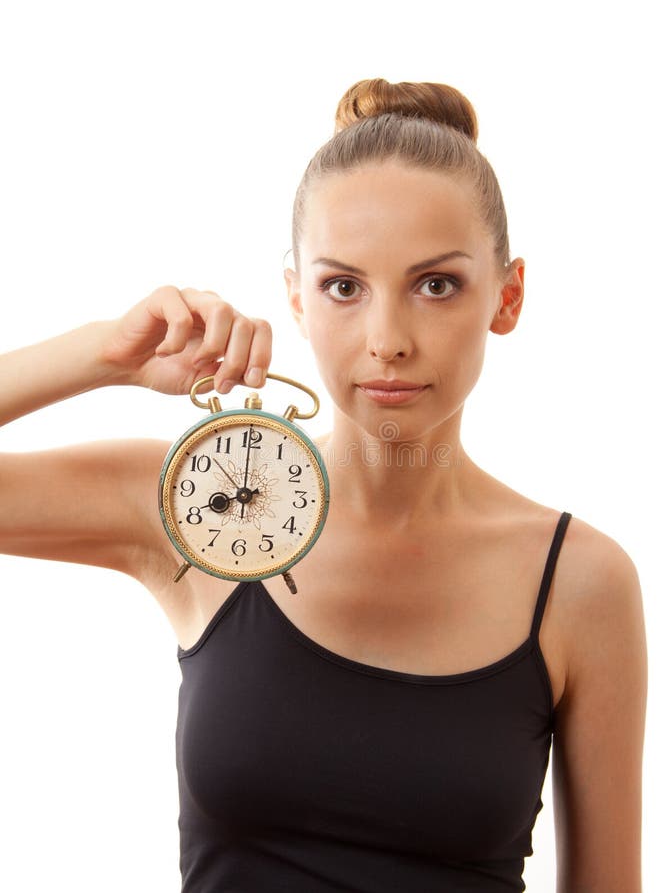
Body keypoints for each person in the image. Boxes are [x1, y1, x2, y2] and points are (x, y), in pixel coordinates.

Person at [0, 78, 647, 892]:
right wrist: (102, 356)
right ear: (296, 299)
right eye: (344, 287)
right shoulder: (192, 502)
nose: (387, 340)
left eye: (436, 284)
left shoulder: (580, 583)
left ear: (507, 296)